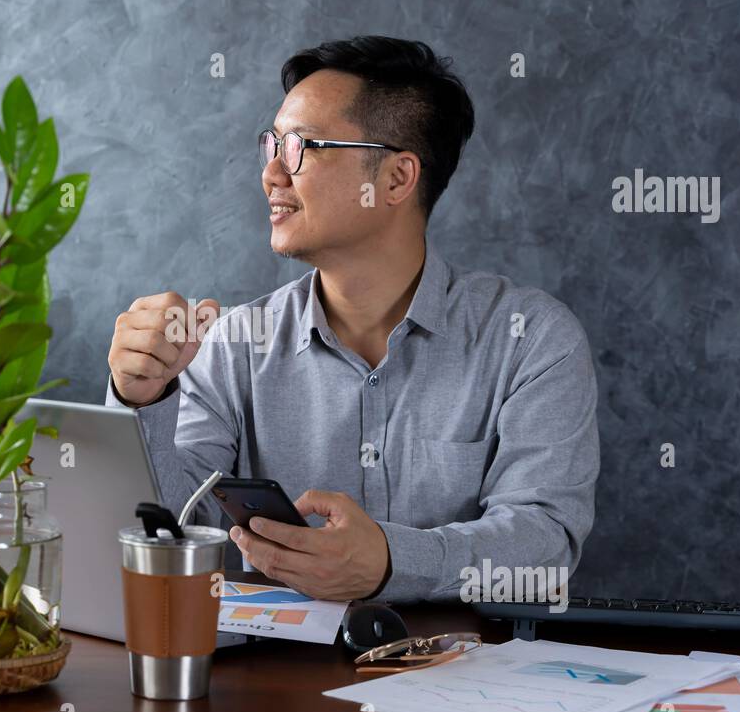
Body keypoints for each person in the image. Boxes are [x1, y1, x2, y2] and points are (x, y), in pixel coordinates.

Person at [105, 35, 599, 604]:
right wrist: (142, 400)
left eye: (300, 146)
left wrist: (392, 562)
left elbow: (544, 546)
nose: (271, 173)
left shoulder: (530, 339)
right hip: (276, 680)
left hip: (465, 672)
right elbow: (172, 528)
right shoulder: (229, 343)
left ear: (395, 179)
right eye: (271, 144)